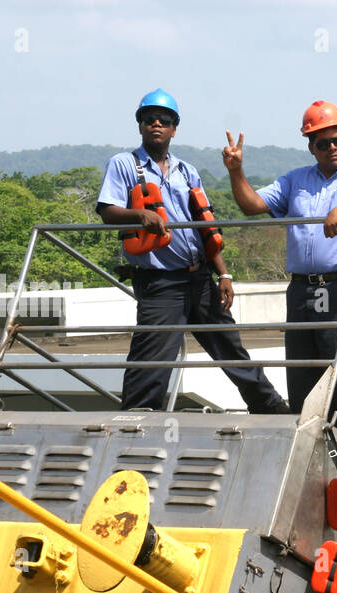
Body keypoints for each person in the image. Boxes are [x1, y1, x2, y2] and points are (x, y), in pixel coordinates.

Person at [96, 89, 288, 414]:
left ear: (174, 128)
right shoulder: (125, 165)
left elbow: (204, 227)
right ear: (140, 125)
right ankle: (136, 421)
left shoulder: (187, 171)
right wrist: (139, 215)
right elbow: (107, 209)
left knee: (230, 347)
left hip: (199, 278)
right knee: (153, 358)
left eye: (164, 120)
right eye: (149, 119)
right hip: (160, 283)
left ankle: (272, 411)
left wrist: (223, 273)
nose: (156, 124)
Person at [223, 100, 337, 448]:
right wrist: (236, 171)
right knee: (303, 381)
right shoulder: (295, 180)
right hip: (302, 291)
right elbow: (253, 205)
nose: (332, 148)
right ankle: (311, 457)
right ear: (310, 146)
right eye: (322, 143)